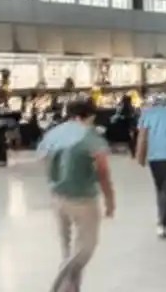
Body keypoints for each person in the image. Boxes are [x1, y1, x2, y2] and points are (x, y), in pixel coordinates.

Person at [38, 98, 115, 292]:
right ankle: (62, 278)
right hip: (84, 198)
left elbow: (43, 159)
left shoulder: (53, 133)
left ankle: (70, 288)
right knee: (86, 247)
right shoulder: (90, 136)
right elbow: (103, 171)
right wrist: (109, 198)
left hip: (58, 196)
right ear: (90, 115)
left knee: (67, 244)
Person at [135, 92, 166, 238]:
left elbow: (143, 136)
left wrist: (140, 156)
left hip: (155, 157)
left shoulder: (148, 114)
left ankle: (162, 220)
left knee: (161, 187)